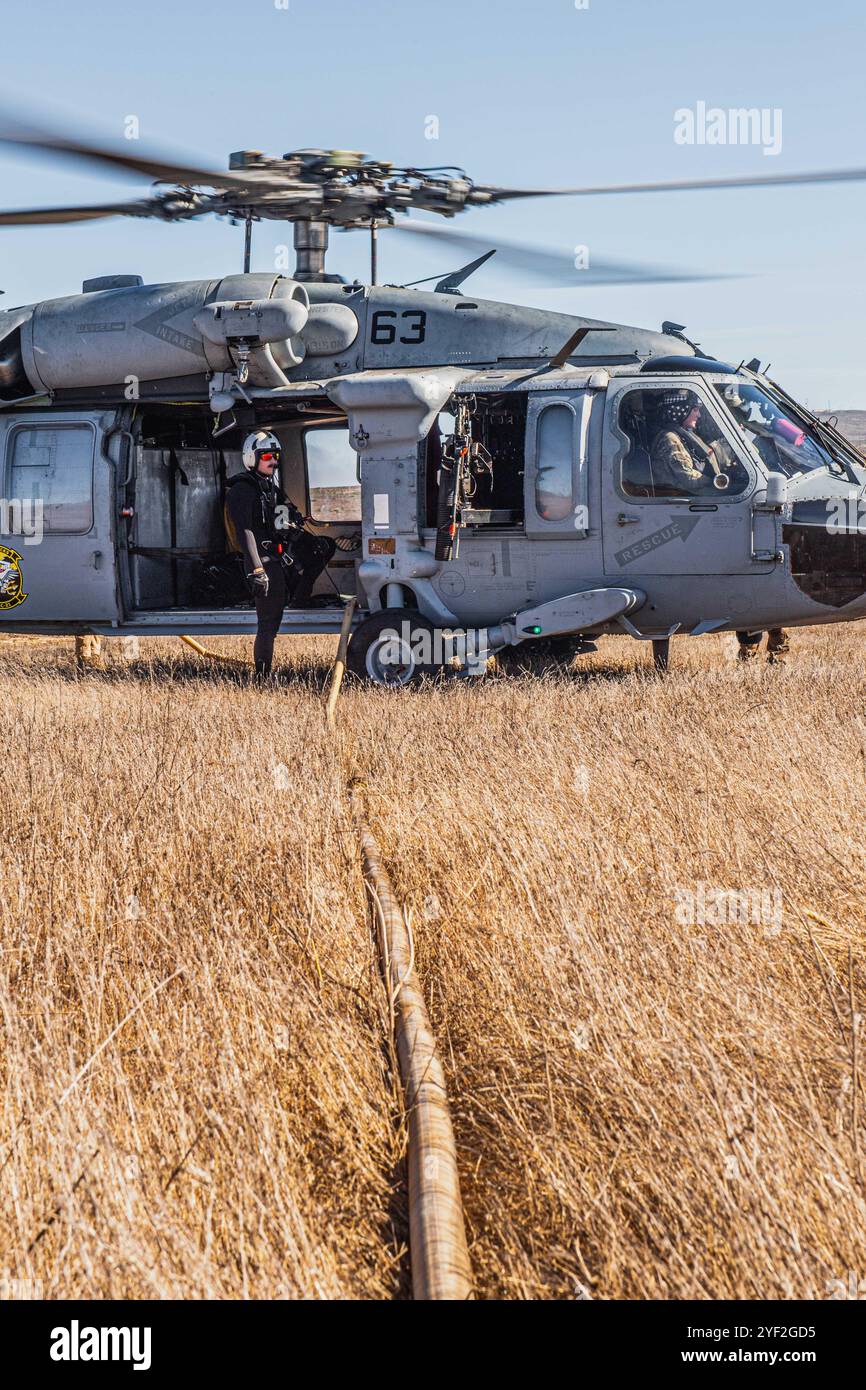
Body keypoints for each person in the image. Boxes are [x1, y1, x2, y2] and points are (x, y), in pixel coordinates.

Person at [224, 430, 334, 678]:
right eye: (267, 457)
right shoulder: (242, 490)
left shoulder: (270, 488)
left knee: (321, 547)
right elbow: (245, 533)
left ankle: (301, 597)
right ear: (252, 457)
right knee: (268, 623)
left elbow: (285, 514)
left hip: (279, 556)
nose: (273, 461)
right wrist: (257, 570)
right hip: (262, 561)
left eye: (275, 456)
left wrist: (295, 524)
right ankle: (262, 677)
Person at [650, 390, 736, 495]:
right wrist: (715, 481)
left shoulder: (684, 434)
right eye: (695, 410)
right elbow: (688, 478)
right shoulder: (670, 439)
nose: (698, 415)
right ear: (681, 411)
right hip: (681, 498)